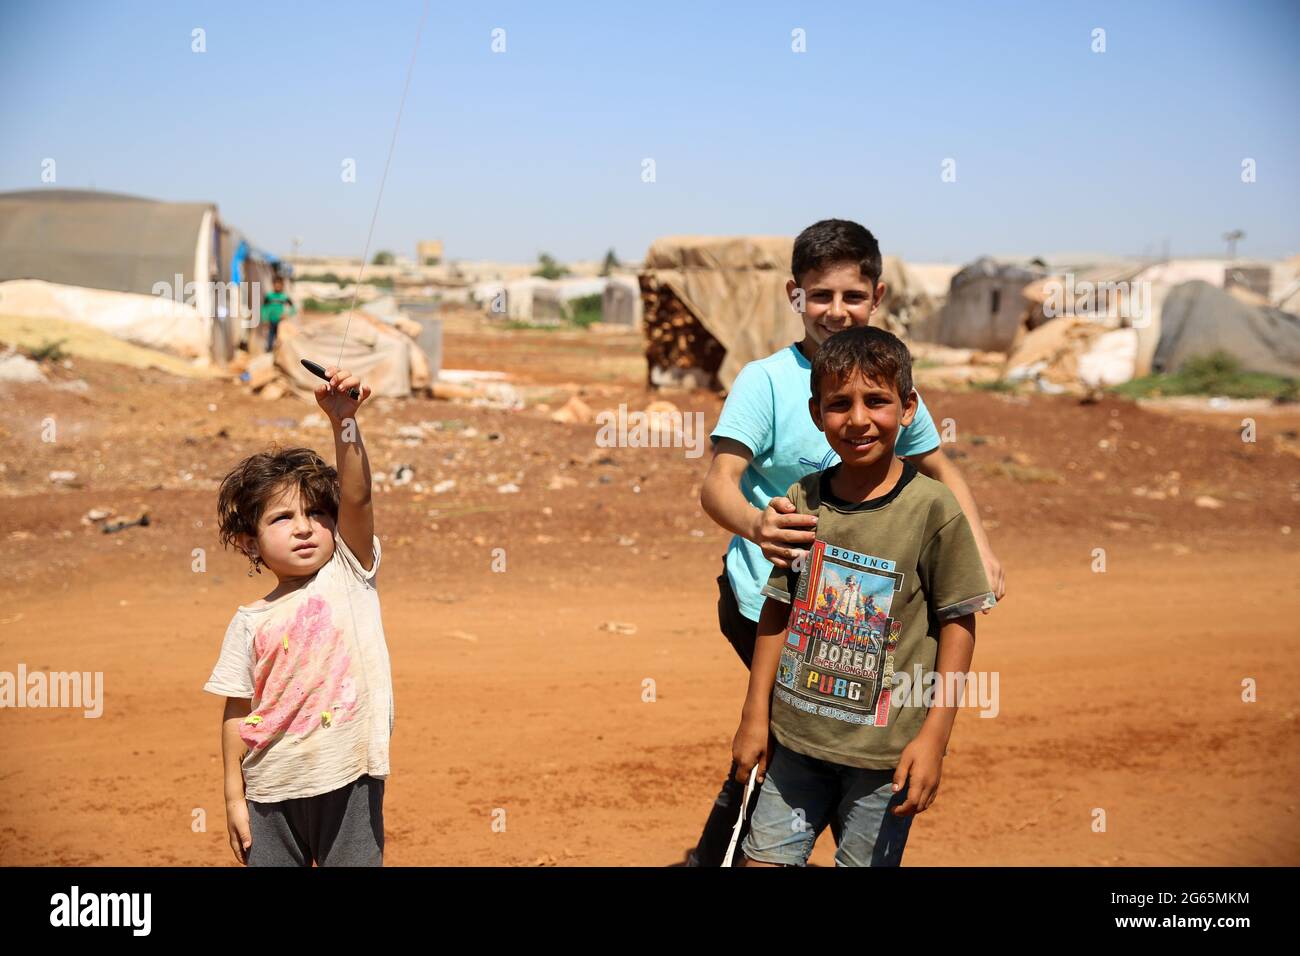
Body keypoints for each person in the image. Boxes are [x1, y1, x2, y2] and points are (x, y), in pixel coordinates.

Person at [688, 218, 1005, 865]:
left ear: (877, 297)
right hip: (768, 598)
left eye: (852, 297)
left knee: (829, 735)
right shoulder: (767, 381)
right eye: (821, 295)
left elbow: (941, 468)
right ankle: (731, 852)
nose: (836, 310)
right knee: (784, 734)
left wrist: (981, 547)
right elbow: (717, 483)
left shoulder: (879, 378)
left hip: (859, 615)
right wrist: (758, 525)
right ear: (795, 296)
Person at [733, 325, 994, 866]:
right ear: (815, 412)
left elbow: (958, 625)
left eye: (876, 400)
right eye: (838, 404)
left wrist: (934, 738)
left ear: (907, 408)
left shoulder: (932, 510)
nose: (857, 419)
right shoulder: (802, 499)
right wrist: (754, 716)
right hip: (796, 745)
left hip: (885, 758)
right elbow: (776, 609)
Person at [204, 366, 393, 866]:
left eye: (318, 514)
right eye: (282, 518)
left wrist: (344, 422)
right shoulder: (250, 620)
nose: (305, 529)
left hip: (349, 778)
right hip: (269, 789)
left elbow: (358, 496)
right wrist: (232, 796)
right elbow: (236, 712)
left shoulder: (349, 573)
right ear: (249, 543)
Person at [260, 275, 296, 353]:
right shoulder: (269, 296)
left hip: (280, 322)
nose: (278, 286)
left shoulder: (284, 297)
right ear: (273, 285)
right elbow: (264, 308)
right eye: (276, 284)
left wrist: (287, 314)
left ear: (282, 285)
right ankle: (269, 352)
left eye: (279, 284)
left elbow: (293, 308)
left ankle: (279, 353)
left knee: (280, 338)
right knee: (270, 337)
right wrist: (265, 319)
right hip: (271, 321)